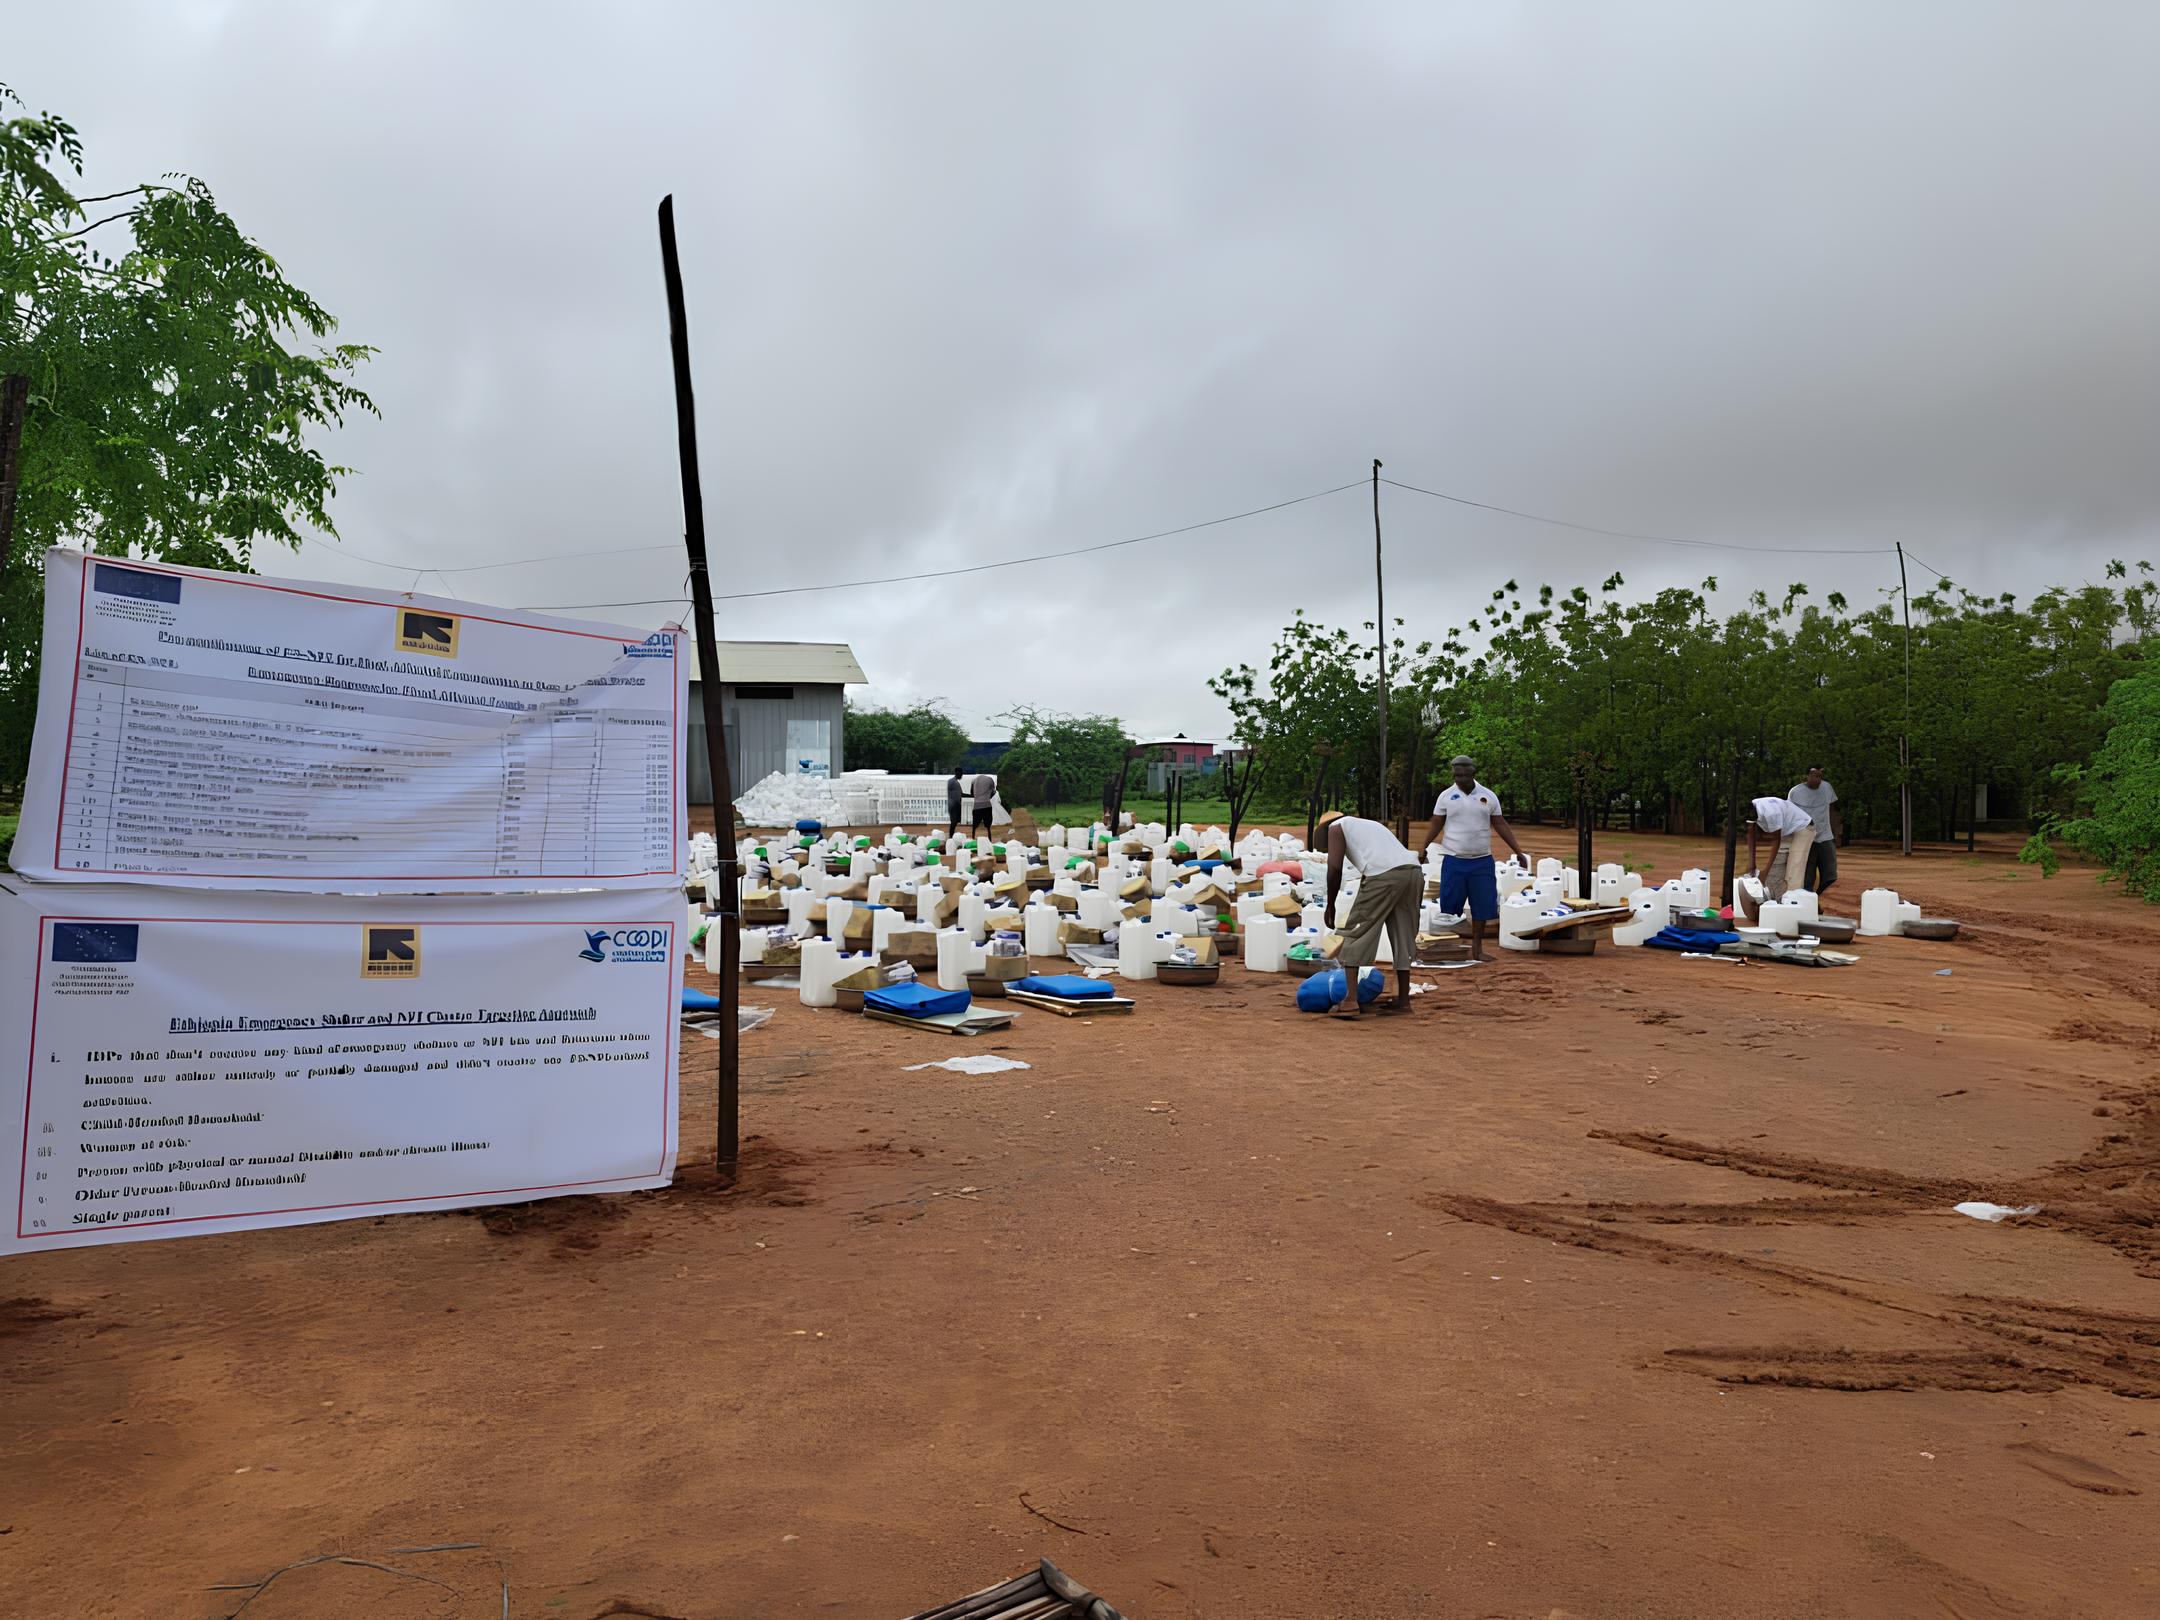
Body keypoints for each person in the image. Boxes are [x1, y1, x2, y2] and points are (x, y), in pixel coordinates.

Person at [1425, 755, 1530, 962]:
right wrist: (1424, 847)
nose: (1460, 778)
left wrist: (1518, 851)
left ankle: (1477, 949)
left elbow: (1500, 824)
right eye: (1456, 775)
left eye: (1464, 774)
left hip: (1481, 861)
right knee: (1449, 905)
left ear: (1473, 773)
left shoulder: (1488, 796)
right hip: (1454, 860)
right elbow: (1437, 823)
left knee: (1482, 906)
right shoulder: (1446, 796)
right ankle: (1450, 949)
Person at [1315, 810, 1418, 1019]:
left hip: (1384, 876)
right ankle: (1404, 1002)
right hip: (1414, 872)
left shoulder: (1337, 827)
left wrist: (1331, 905)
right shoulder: (1369, 825)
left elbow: (1335, 868)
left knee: (1356, 930)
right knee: (1403, 935)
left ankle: (1350, 1000)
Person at [1746, 792, 1816, 900]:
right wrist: (1752, 863)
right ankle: (1780, 902)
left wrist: (1764, 872)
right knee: (1773, 874)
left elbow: (1776, 841)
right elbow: (1751, 834)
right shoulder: (1751, 807)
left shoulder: (1771, 813)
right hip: (1787, 830)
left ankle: (1796, 906)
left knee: (1794, 872)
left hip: (1803, 827)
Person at [1787, 766, 1841, 902]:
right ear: (1807, 776)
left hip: (1825, 837)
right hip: (1805, 838)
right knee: (1807, 875)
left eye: (1820, 776)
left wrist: (1837, 832)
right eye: (1814, 776)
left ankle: (1817, 895)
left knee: (1830, 874)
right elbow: (1790, 815)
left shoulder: (1827, 788)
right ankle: (1809, 902)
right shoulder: (1795, 792)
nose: (1817, 779)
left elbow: (1833, 810)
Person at [969, 770, 996, 838]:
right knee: (988, 827)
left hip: (977, 806)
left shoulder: (974, 780)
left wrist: (977, 797)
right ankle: (989, 841)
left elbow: (971, 793)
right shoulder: (990, 779)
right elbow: (993, 792)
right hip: (987, 805)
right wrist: (988, 797)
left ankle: (973, 839)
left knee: (974, 826)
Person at [945, 769, 965, 842]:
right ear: (957, 773)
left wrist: (972, 795)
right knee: (953, 821)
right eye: (961, 774)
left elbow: (961, 794)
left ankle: (952, 836)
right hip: (953, 804)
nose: (962, 775)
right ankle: (950, 837)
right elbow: (948, 790)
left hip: (957, 804)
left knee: (956, 821)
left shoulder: (957, 782)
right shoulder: (951, 781)